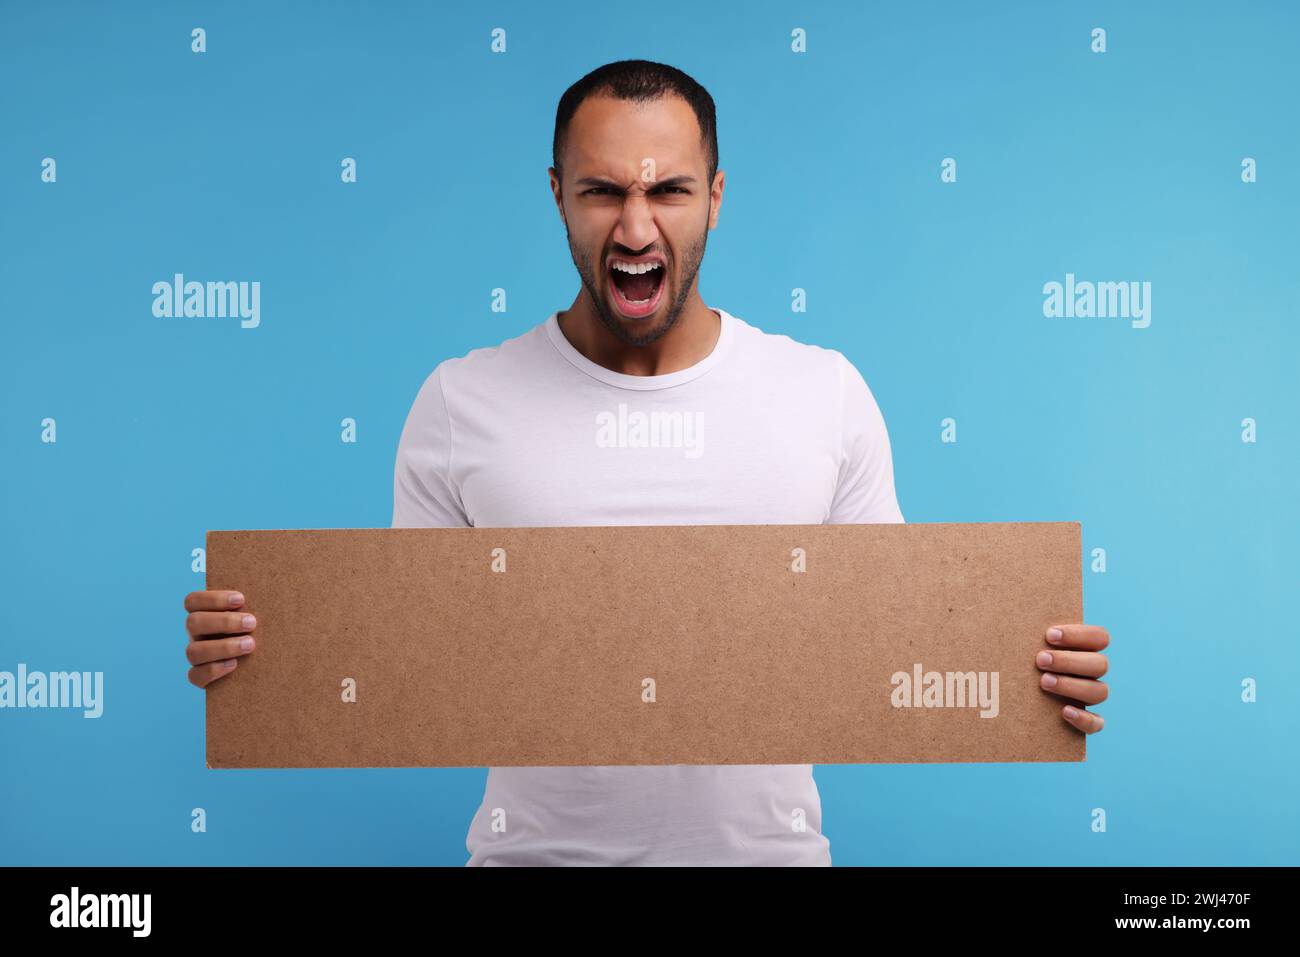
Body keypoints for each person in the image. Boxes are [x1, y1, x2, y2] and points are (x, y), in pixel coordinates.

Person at [183, 59, 1111, 866]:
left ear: (716, 195)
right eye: (601, 191)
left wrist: (1029, 670)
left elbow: (893, 641)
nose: (635, 227)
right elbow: (403, 658)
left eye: (667, 189)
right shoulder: (462, 402)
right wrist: (266, 653)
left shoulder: (822, 393)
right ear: (556, 194)